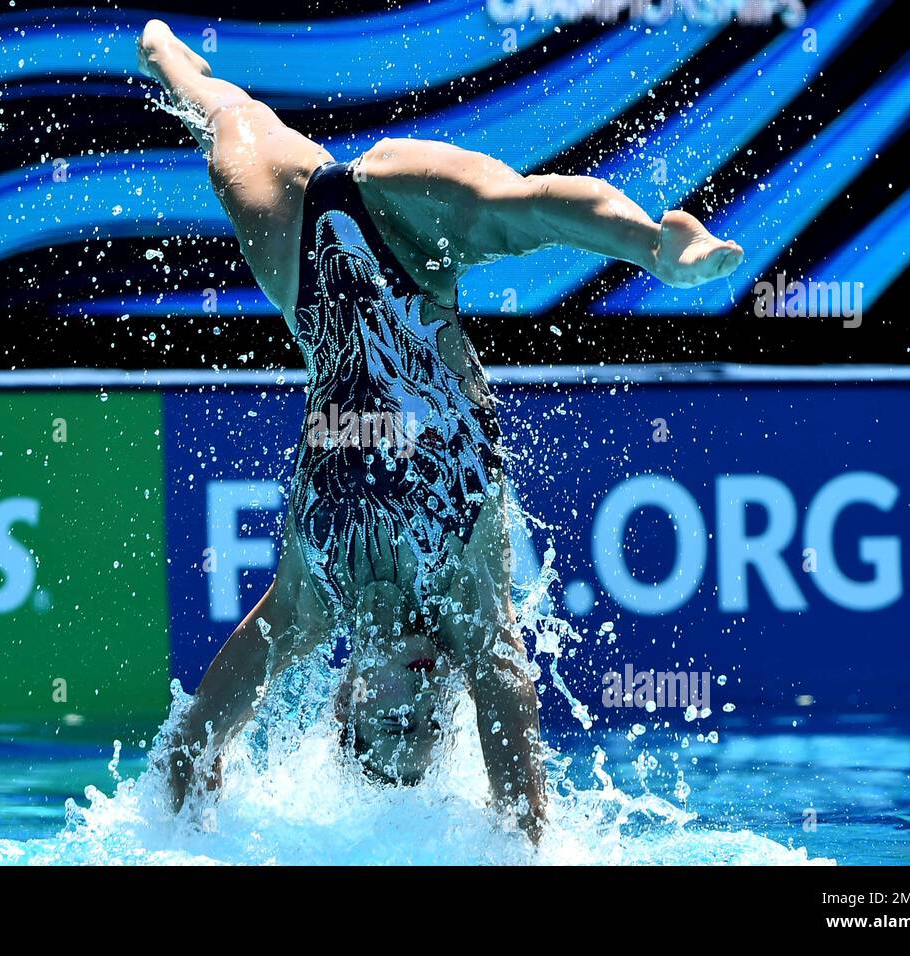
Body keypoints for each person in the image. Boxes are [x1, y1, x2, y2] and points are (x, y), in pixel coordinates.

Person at [138, 19, 743, 843]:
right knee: (513, 210)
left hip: (307, 279)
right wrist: (520, 832)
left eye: (390, 724)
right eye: (429, 729)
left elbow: (194, 737)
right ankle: (659, 247)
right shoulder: (473, 618)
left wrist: (177, 843)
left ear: (349, 692)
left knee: (229, 130)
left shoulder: (313, 605)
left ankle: (178, 67)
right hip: (416, 257)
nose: (416, 712)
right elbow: (523, 813)